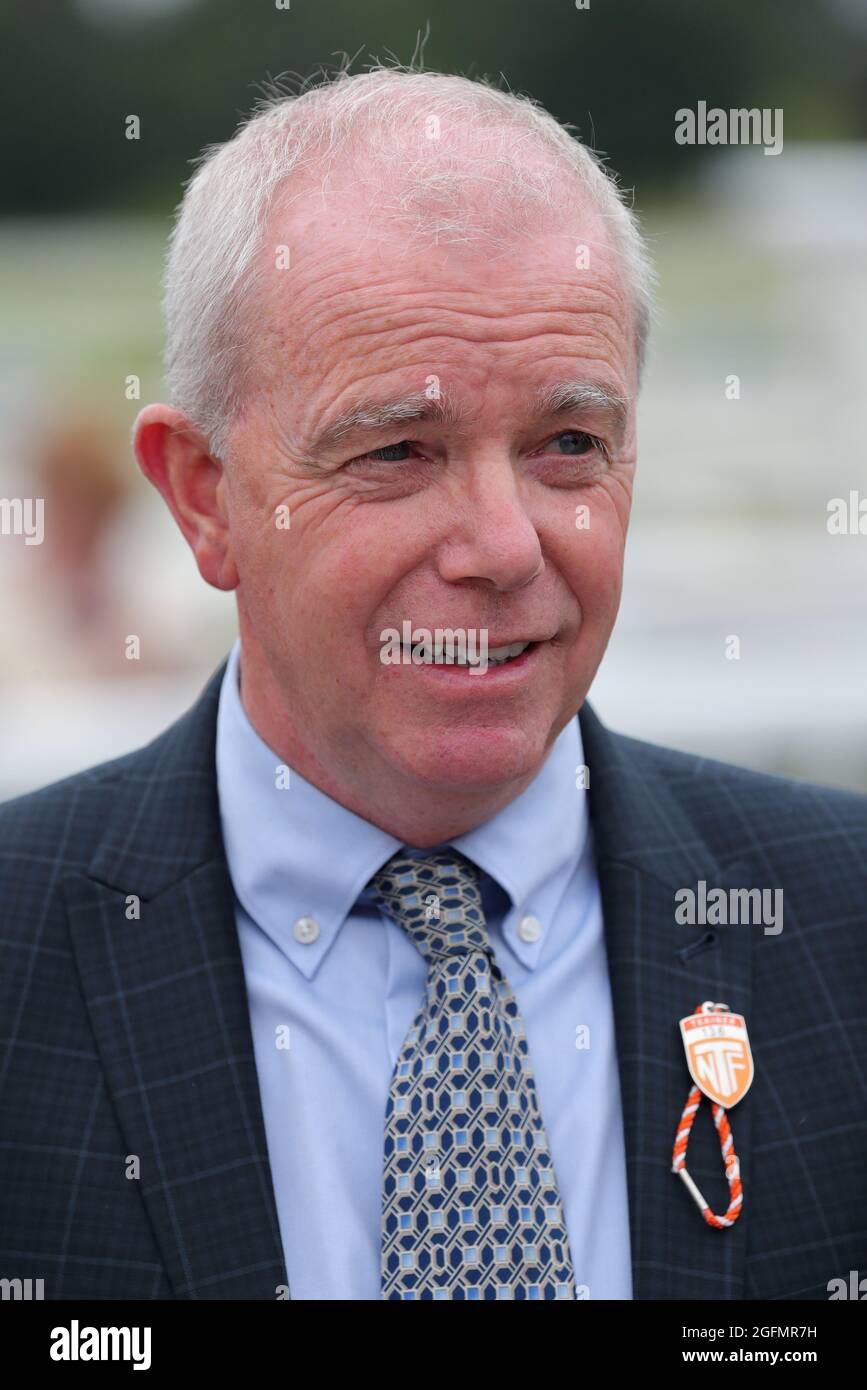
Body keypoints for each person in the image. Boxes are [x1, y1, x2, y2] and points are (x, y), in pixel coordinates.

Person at [1, 66, 865, 1303]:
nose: (506, 546)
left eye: (569, 444)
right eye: (399, 451)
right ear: (204, 496)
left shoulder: (840, 924)